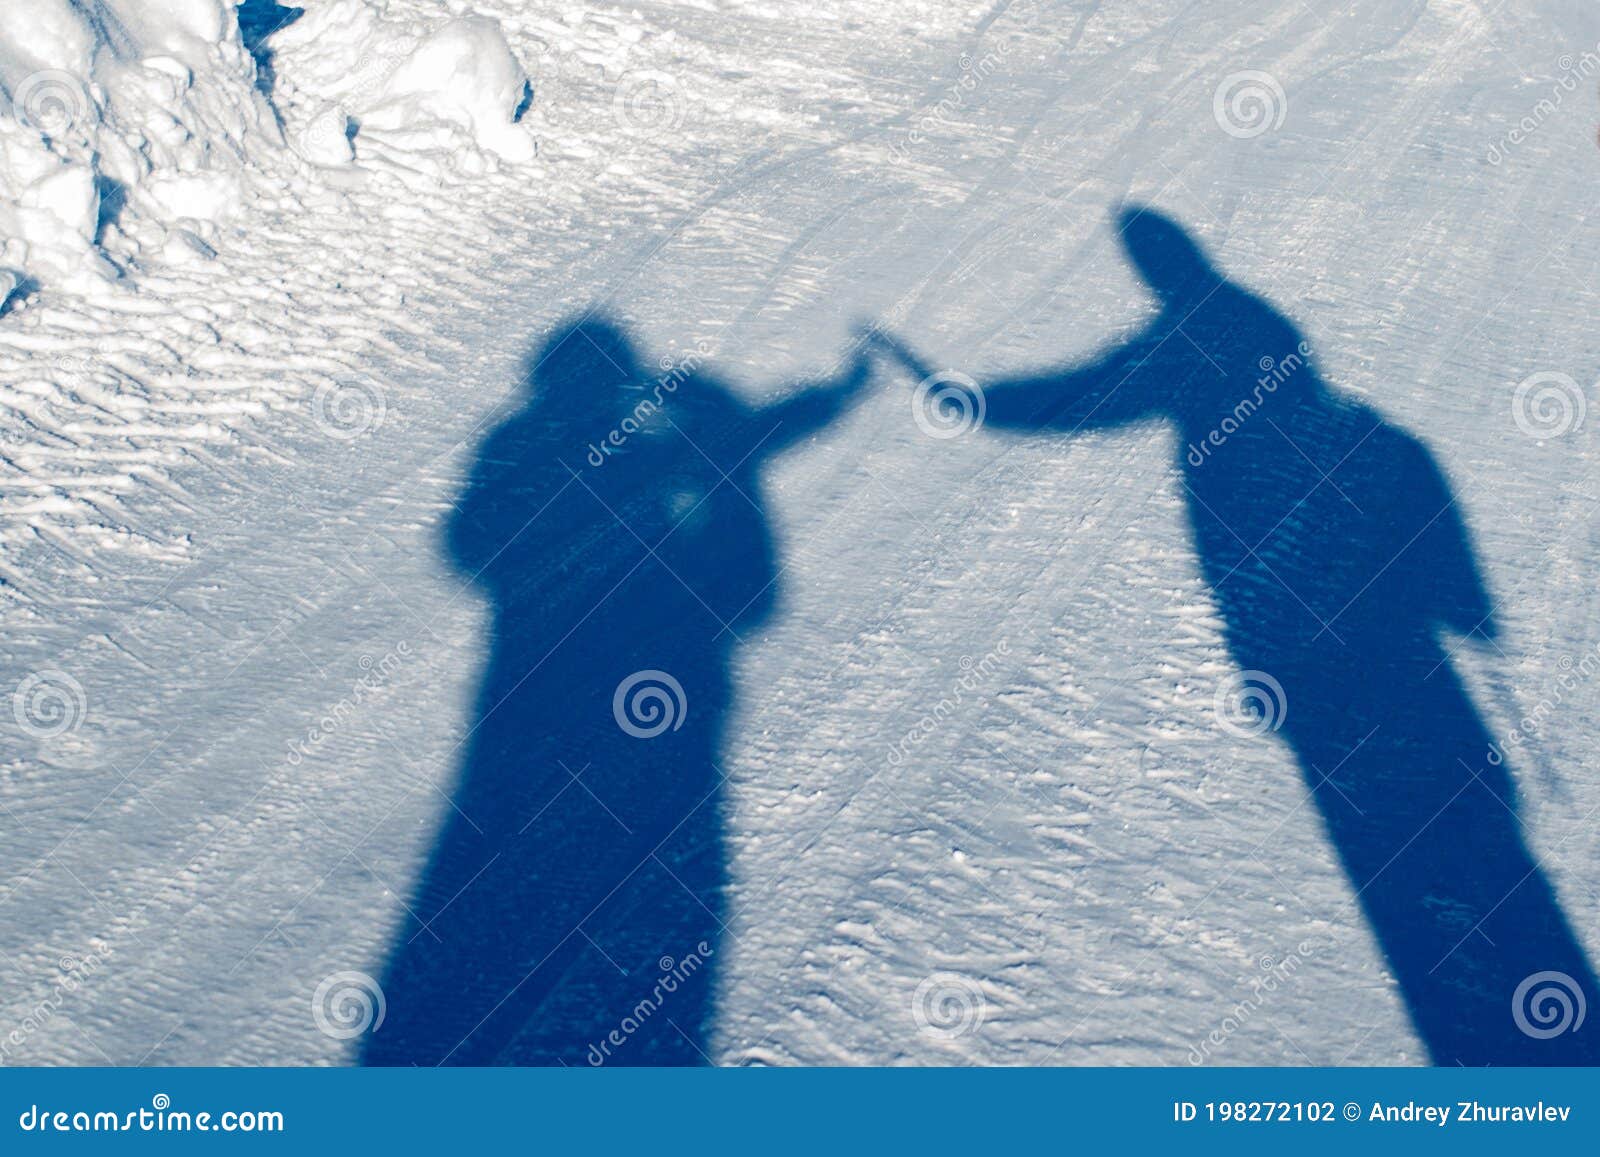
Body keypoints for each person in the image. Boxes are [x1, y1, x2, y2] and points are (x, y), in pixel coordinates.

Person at [873, 206, 1598, 1065]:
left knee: (1378, 825)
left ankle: (1482, 984)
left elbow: (1084, 398)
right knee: (1440, 809)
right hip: (1375, 637)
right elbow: (1427, 508)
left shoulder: (1196, 340)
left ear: (1158, 268)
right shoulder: (1270, 350)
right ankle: (1519, 965)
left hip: (1298, 628)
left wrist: (972, 401)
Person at [363, 317, 872, 1065]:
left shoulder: (526, 442)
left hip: (532, 713)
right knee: (631, 884)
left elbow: (467, 544)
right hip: (648, 722)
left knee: (506, 874)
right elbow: (750, 585)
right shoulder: (660, 446)